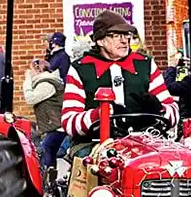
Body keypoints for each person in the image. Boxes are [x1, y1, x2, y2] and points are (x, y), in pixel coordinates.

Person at [60, 10, 179, 143]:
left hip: (144, 142)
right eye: (116, 35)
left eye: (126, 35)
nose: (124, 41)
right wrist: (99, 115)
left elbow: (174, 111)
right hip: (94, 143)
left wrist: (159, 109)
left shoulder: (145, 64)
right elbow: (69, 122)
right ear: (100, 41)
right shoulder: (81, 68)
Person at [24, 58, 65, 168]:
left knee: (45, 151)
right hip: (54, 125)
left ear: (38, 70)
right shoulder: (48, 81)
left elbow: (30, 98)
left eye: (31, 69)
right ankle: (50, 180)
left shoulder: (47, 83)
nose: (29, 72)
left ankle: (46, 179)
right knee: (49, 153)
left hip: (56, 126)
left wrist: (27, 80)